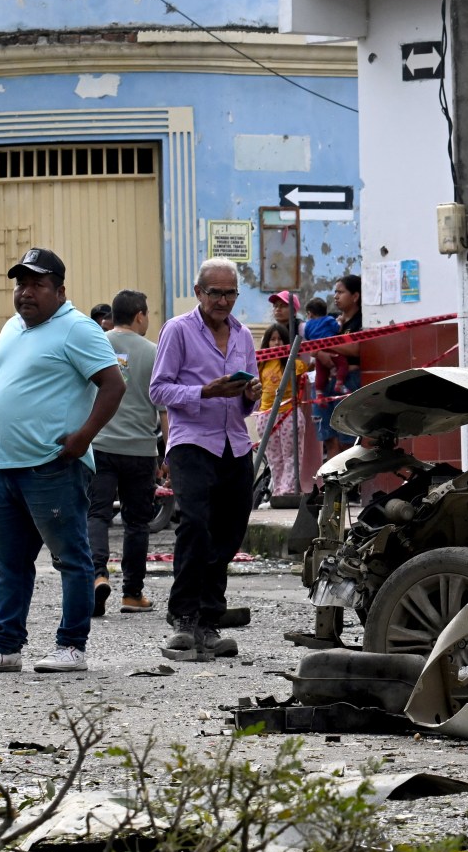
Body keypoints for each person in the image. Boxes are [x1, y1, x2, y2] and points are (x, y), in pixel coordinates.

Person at [0, 248, 126, 674]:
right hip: (5, 467)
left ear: (60, 291)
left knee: (71, 558)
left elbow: (113, 385)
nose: (26, 292)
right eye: (21, 284)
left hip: (53, 466)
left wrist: (83, 438)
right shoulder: (11, 328)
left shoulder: (77, 329)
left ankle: (72, 647)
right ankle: (5, 647)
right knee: (8, 562)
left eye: (37, 284)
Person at [149, 259, 259, 662]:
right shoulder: (178, 330)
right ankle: (184, 617)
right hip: (192, 442)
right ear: (199, 292)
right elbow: (158, 390)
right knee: (195, 523)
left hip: (235, 443)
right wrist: (204, 392)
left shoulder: (243, 335)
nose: (223, 301)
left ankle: (209, 622)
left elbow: (249, 400)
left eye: (230, 293)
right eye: (215, 293)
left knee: (229, 531)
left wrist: (250, 395)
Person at [89, 289, 165, 618]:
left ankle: (97, 576)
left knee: (96, 515)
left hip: (100, 444)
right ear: (139, 316)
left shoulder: (96, 344)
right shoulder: (154, 352)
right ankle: (132, 594)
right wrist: (167, 453)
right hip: (140, 449)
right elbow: (164, 408)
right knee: (137, 523)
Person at [254, 290, 307, 503]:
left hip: (288, 414)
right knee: (274, 458)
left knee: (291, 456)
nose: (276, 344)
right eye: (272, 340)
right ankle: (277, 493)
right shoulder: (261, 363)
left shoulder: (295, 364)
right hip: (265, 416)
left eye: (280, 340)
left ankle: (288, 492)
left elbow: (309, 367)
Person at [316, 275, 364, 456]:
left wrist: (326, 344)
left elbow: (357, 349)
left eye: (341, 292)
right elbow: (312, 345)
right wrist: (320, 353)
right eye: (335, 292)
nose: (335, 296)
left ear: (355, 296)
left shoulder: (361, 321)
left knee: (347, 440)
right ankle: (333, 474)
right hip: (327, 382)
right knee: (329, 439)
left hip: (349, 382)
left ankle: (349, 474)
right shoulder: (332, 321)